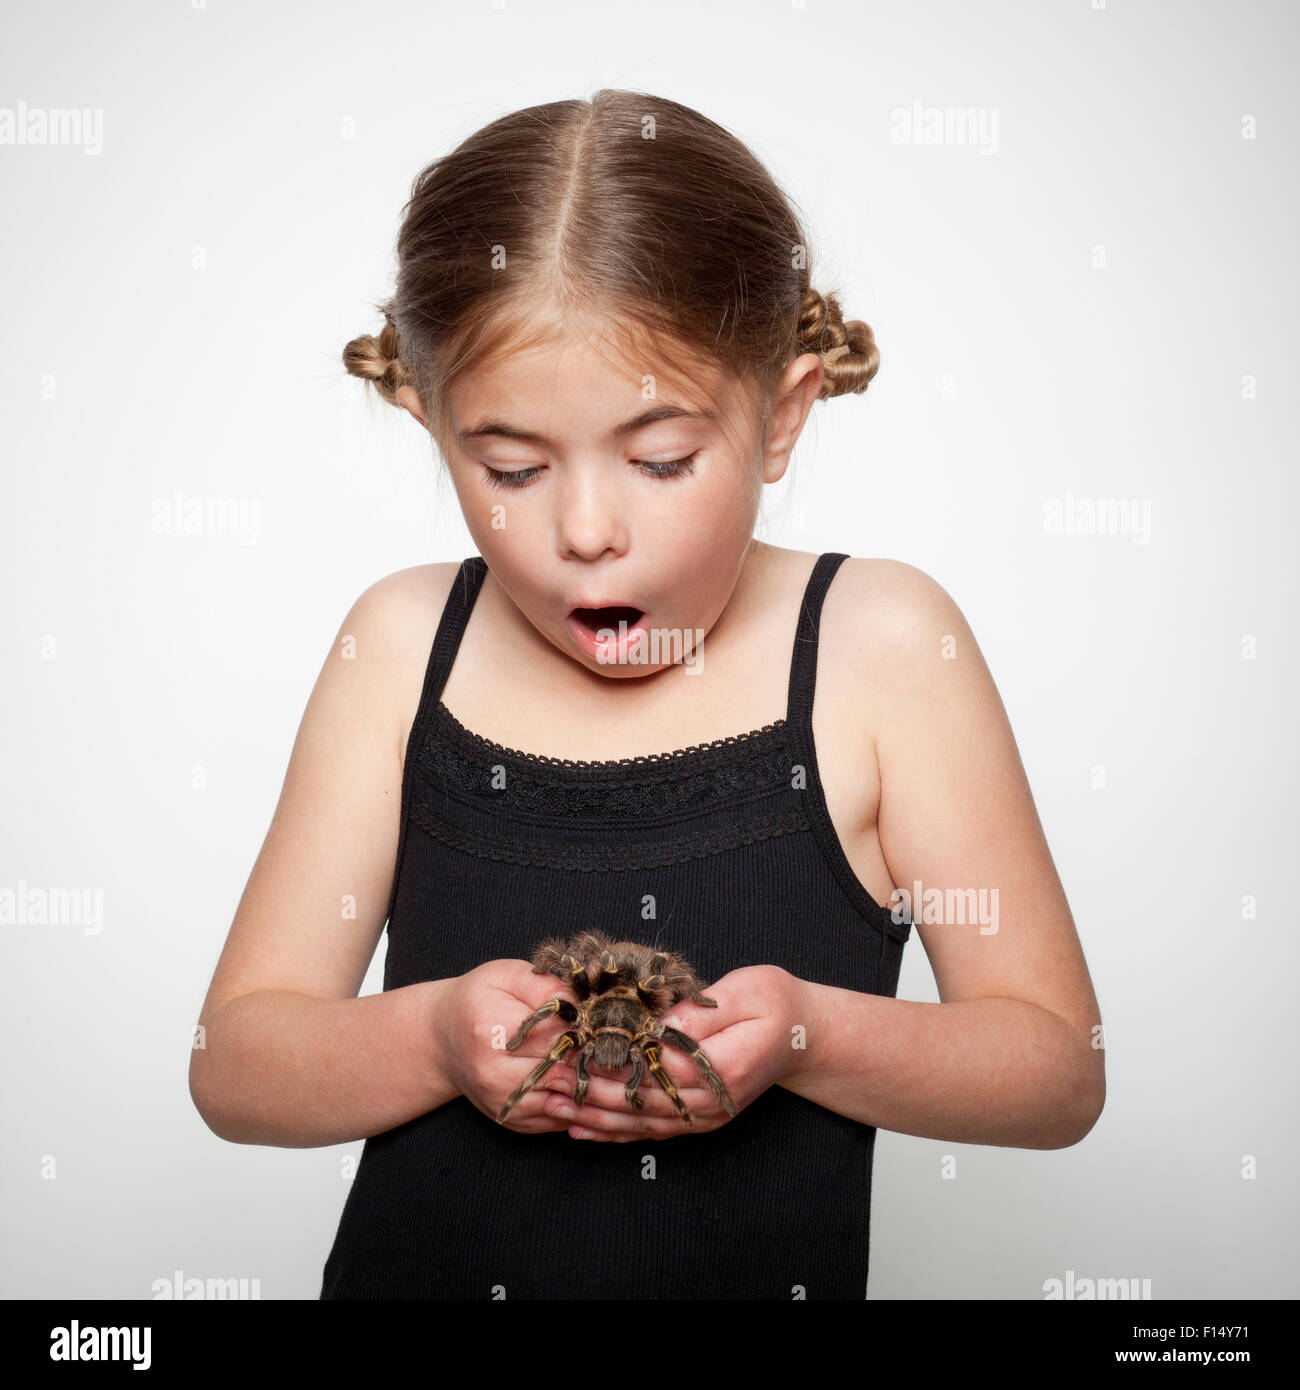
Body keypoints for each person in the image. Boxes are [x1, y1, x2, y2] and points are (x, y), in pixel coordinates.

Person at [188, 89, 1105, 1300]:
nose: (584, 530)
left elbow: (1053, 1071)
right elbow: (235, 1063)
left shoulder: (883, 649)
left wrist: (806, 1034)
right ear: (427, 419)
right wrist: (427, 1035)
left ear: (782, 414)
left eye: (661, 461)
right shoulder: (404, 644)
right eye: (509, 465)